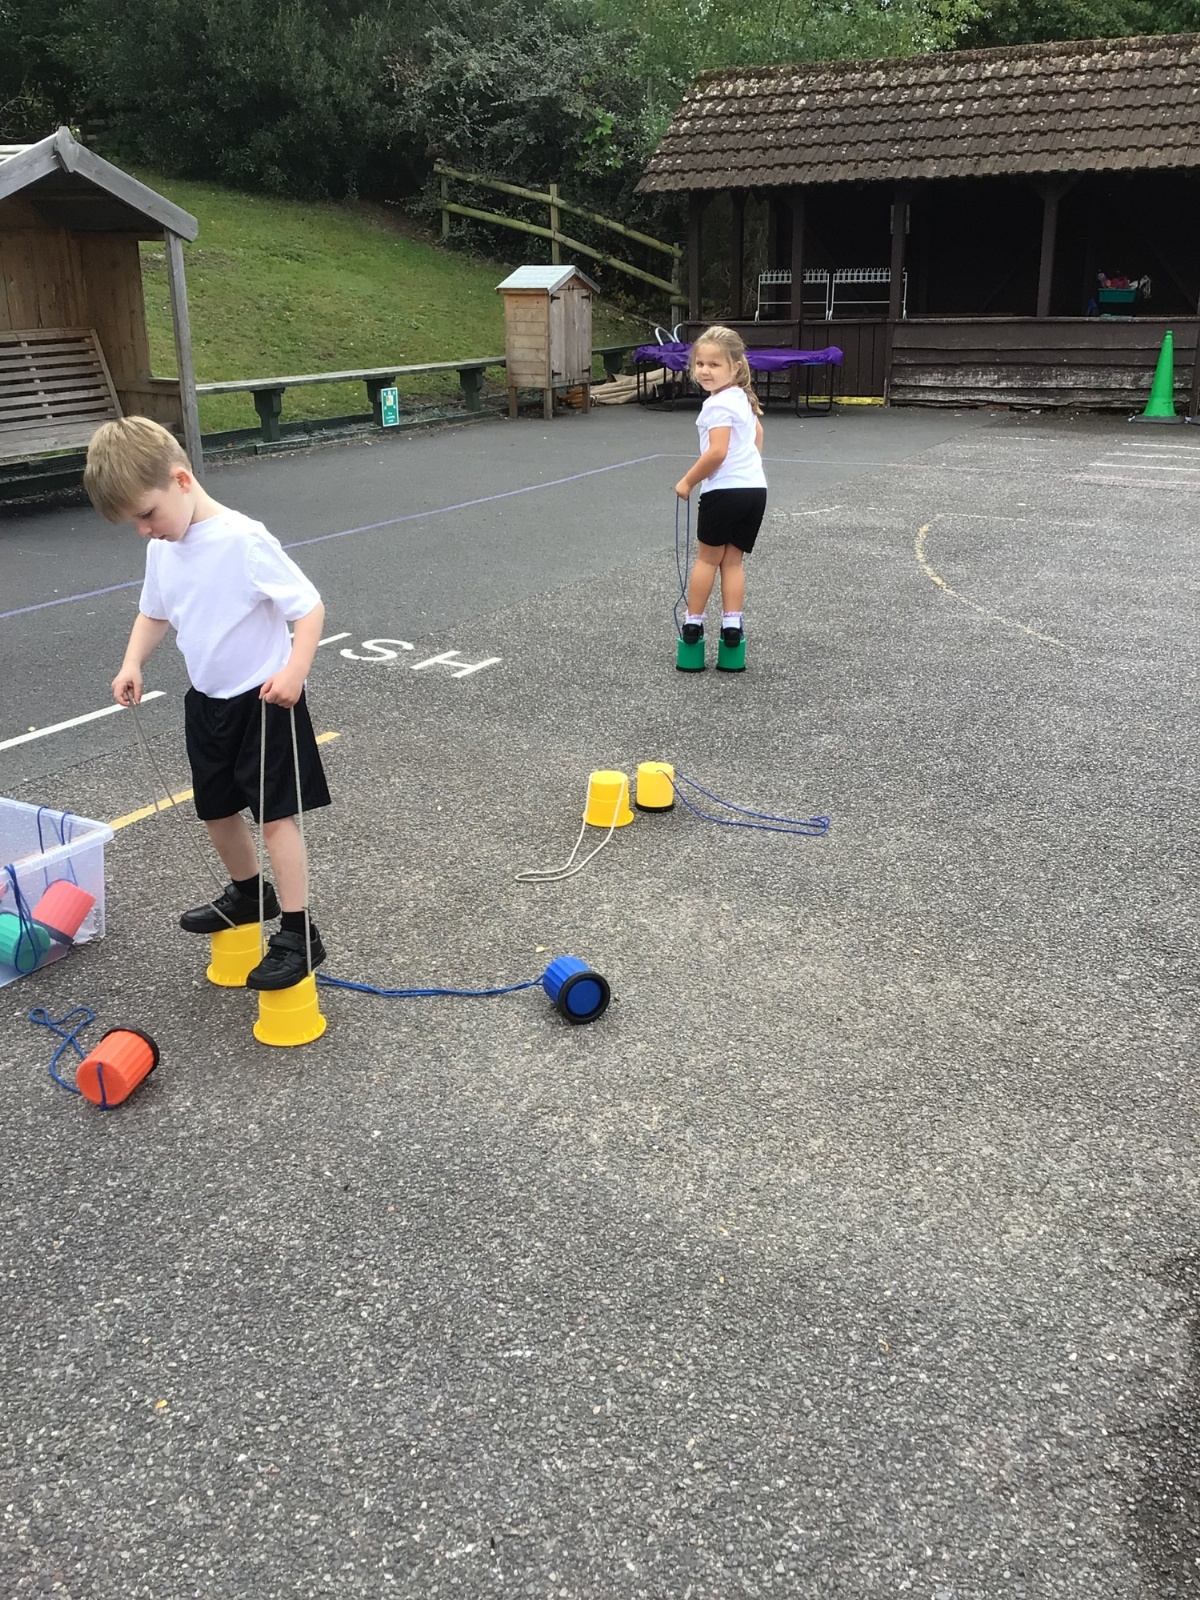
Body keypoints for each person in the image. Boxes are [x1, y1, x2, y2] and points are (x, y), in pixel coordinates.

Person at [85, 416, 331, 991]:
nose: (144, 530)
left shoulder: (244, 539)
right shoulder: (163, 549)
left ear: (181, 480)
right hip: (209, 703)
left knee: (275, 820)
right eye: (133, 524)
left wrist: (295, 670)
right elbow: (155, 611)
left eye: (147, 514)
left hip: (265, 702)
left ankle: (299, 933)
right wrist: (132, 662)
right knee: (216, 810)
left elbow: (308, 606)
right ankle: (251, 894)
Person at [673, 324, 767, 656]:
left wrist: (688, 481)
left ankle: (694, 624)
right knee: (733, 563)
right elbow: (758, 435)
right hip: (755, 491)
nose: (705, 371)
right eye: (700, 364)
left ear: (735, 367)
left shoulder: (715, 406)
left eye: (714, 365)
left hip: (724, 492)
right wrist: (750, 468)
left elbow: (717, 452)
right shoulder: (742, 397)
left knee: (707, 560)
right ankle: (731, 625)